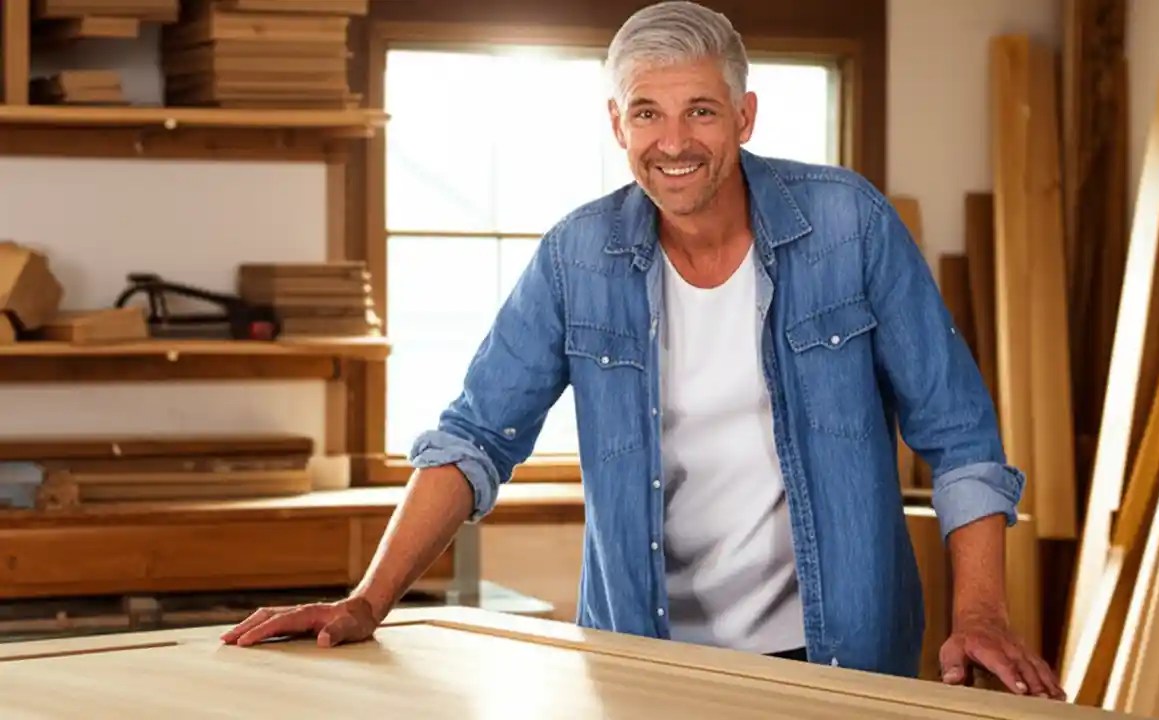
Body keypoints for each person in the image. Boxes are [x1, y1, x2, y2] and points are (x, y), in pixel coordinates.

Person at [221, 0, 1064, 700]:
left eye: (701, 110)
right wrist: (369, 602)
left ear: (744, 115)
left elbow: (958, 433)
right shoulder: (576, 259)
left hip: (840, 656)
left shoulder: (850, 224)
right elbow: (475, 438)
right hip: (647, 660)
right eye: (647, 113)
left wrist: (979, 613)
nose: (674, 141)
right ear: (616, 122)